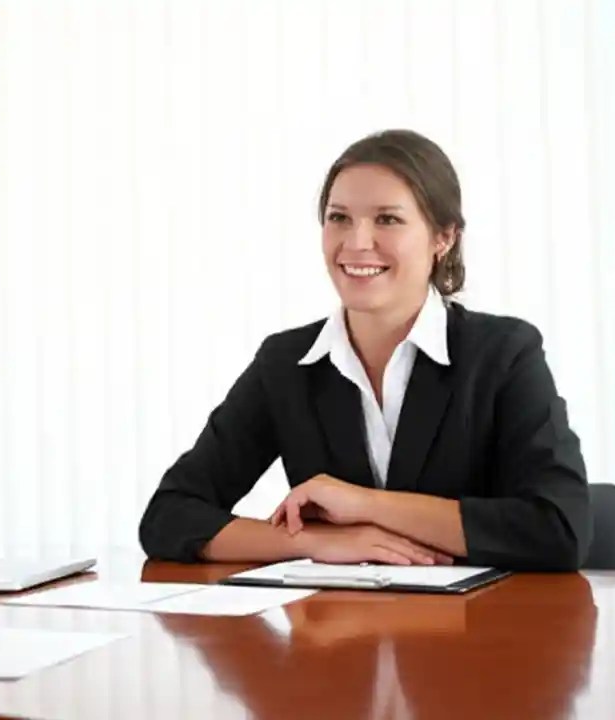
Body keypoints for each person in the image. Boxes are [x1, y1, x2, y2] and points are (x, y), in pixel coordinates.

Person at [139, 129, 590, 571]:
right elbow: (170, 516)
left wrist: (365, 505)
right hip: (341, 635)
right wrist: (318, 543)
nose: (356, 242)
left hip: (477, 633)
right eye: (339, 218)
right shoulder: (287, 364)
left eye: (388, 219)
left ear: (443, 237)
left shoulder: (504, 354)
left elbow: (558, 530)